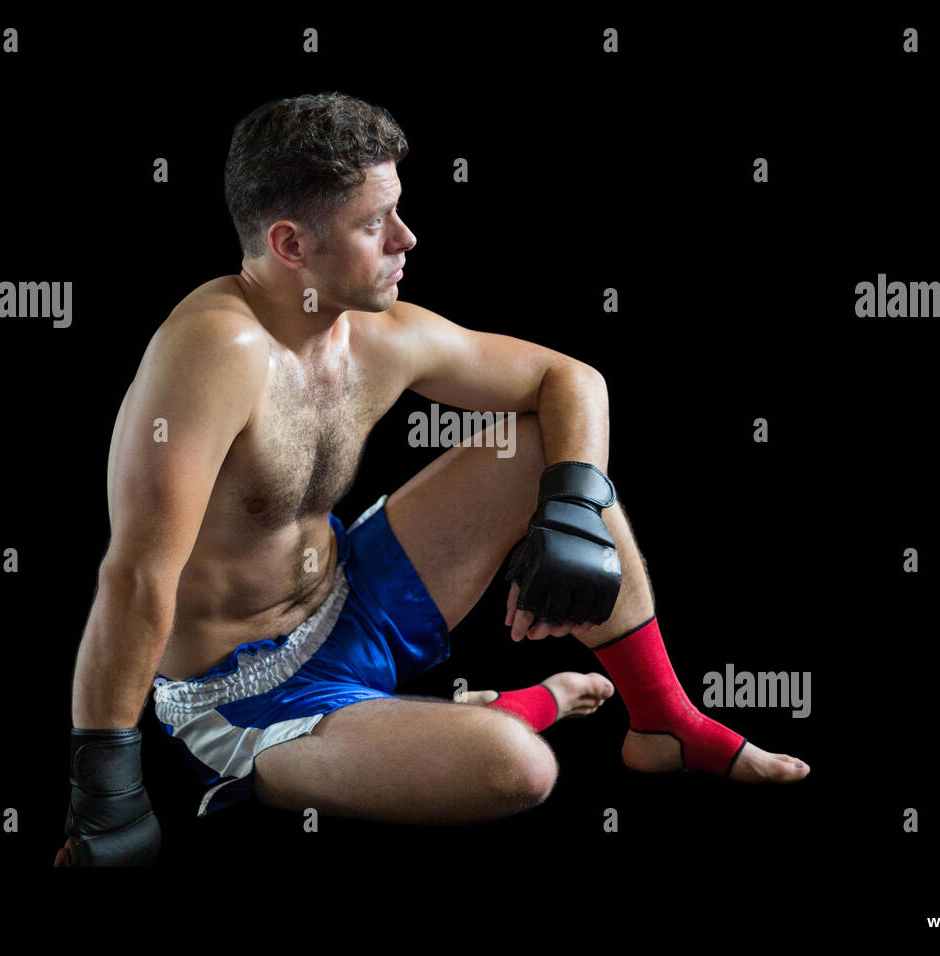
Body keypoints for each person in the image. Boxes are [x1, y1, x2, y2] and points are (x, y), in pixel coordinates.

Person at [55, 91, 808, 867]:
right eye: (373, 223)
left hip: (352, 596)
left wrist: (574, 509)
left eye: (398, 211)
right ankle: (507, 709)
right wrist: (104, 786)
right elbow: (138, 577)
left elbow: (570, 378)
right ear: (290, 244)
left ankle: (662, 723)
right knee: (517, 766)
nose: (406, 238)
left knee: (551, 451)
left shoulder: (377, 333)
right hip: (247, 699)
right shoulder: (215, 353)